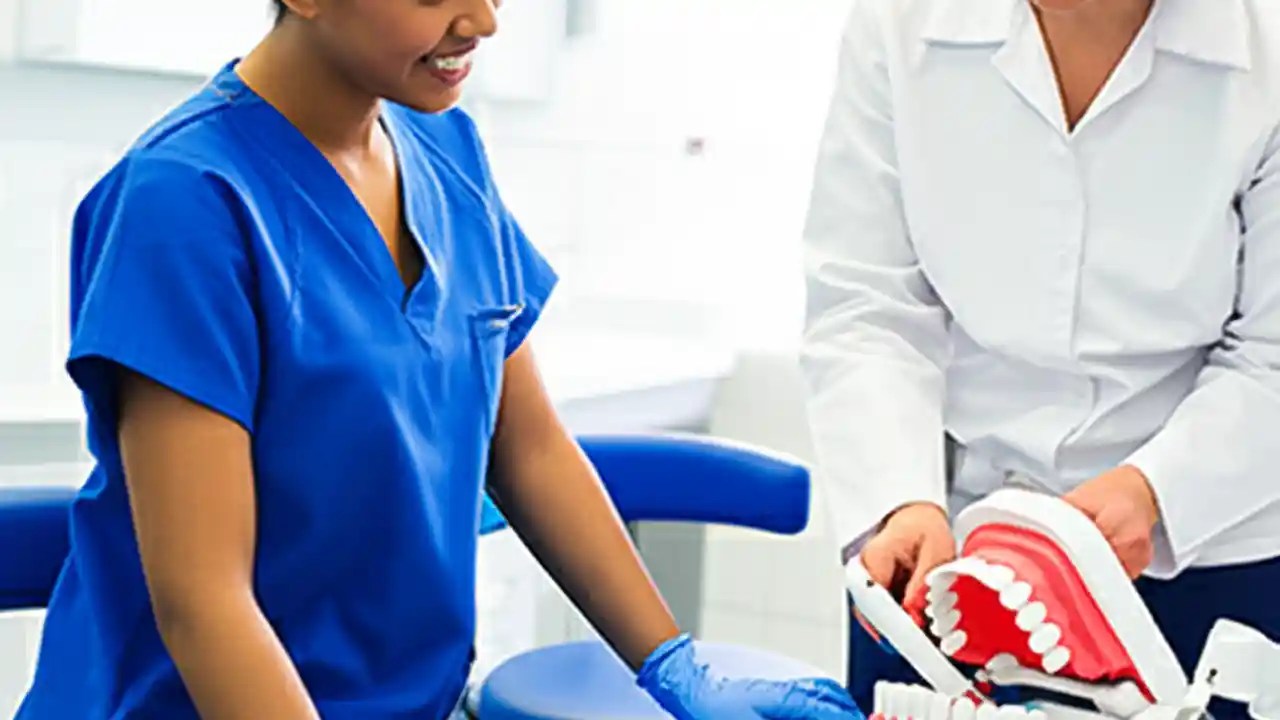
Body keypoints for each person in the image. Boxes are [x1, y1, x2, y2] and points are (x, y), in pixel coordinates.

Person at [17, 1, 865, 718]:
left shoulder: (448, 158)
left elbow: (529, 453)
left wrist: (672, 663)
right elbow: (205, 603)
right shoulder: (187, 203)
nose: (484, 20)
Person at [800, 0, 1280, 715]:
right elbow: (867, 306)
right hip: (950, 556)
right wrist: (901, 496)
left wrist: (1151, 491)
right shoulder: (901, 23)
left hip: (1207, 547)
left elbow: (1273, 354)